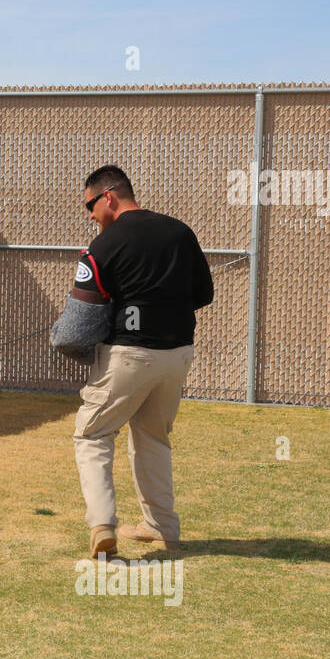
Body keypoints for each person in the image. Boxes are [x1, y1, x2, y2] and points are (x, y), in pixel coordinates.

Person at [54, 165, 213, 558]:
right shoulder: (180, 232)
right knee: (153, 438)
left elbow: (78, 323)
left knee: (92, 435)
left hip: (127, 354)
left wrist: (66, 343)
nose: (90, 215)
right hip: (177, 354)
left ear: (108, 196)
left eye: (90, 205)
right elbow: (203, 293)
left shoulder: (103, 246)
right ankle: (161, 527)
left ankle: (102, 525)